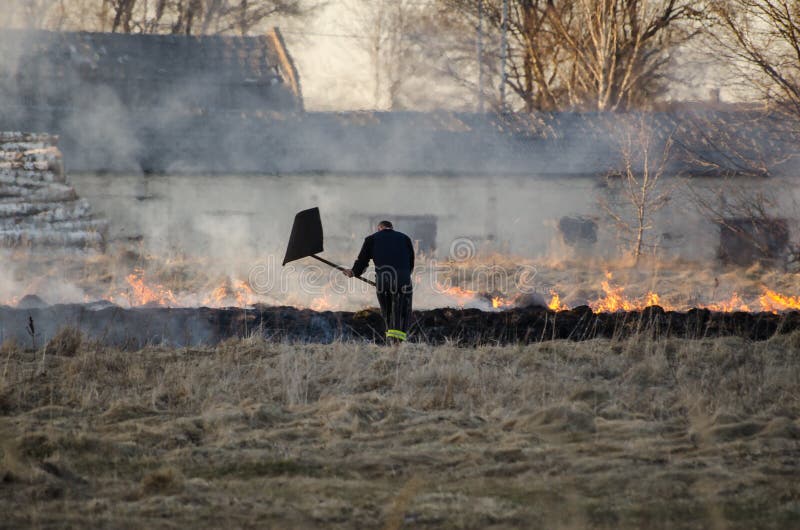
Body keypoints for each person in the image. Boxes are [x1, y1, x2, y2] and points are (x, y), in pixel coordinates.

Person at [343, 220, 414, 343]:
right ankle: (400, 343)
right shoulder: (405, 238)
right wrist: (404, 276)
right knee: (403, 312)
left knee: (388, 312)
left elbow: (362, 261)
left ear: (379, 228)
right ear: (391, 228)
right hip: (404, 280)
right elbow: (411, 262)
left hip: (383, 282)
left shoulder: (371, 239)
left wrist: (353, 272)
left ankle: (391, 342)